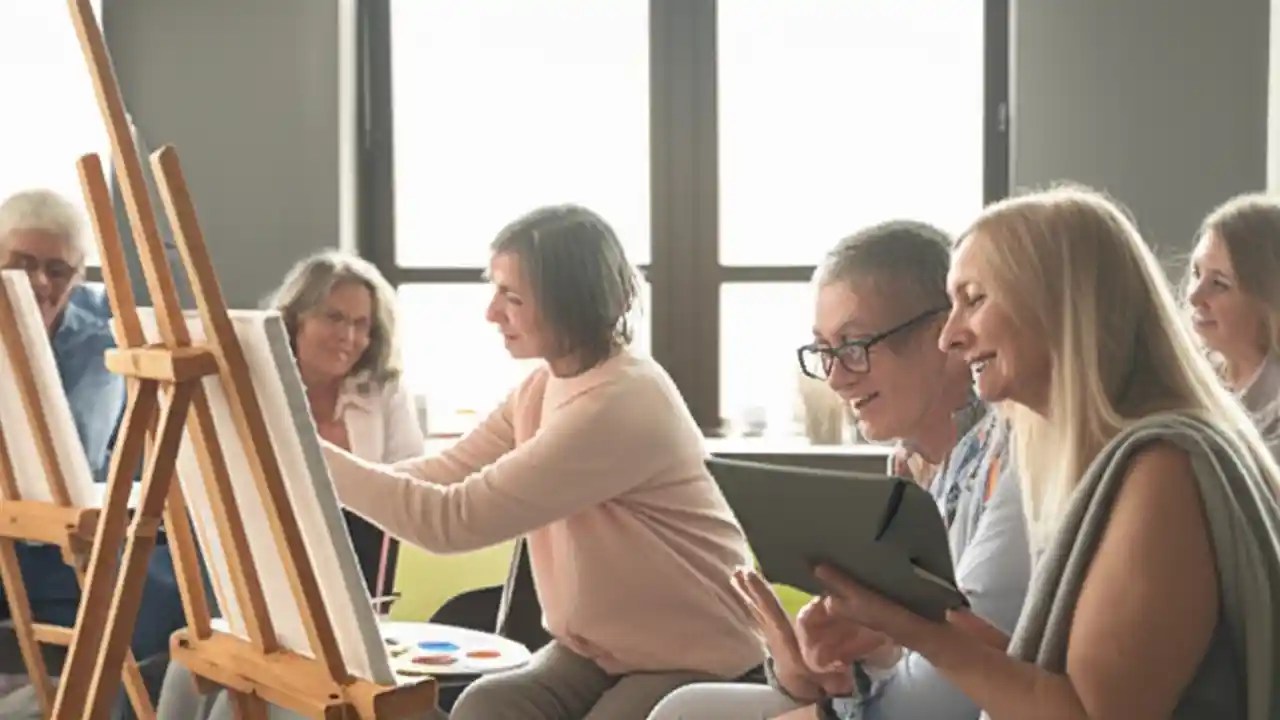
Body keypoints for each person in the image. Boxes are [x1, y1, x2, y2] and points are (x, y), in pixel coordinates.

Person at [813, 185, 1280, 719]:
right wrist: (891, 638)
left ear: (1058, 301)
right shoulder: (1108, 463)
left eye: (974, 299)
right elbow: (1043, 683)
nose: (950, 338)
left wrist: (917, 631)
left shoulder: (1163, 470)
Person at [319, 204, 763, 719]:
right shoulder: (541, 387)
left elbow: (451, 520)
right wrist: (310, 477)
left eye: (512, 297)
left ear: (571, 301)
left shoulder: (621, 402)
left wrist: (312, 461)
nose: (491, 313)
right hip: (599, 652)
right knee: (486, 706)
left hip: (695, 653)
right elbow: (438, 474)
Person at [648, 221, 1029, 720]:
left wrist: (836, 698)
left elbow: (944, 699)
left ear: (946, 334)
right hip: (894, 702)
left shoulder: (1011, 466)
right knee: (686, 708)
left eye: (854, 345)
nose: (835, 377)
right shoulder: (910, 467)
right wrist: (825, 666)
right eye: (824, 351)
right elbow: (899, 657)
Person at [0, 189, 187, 716]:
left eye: (57, 270)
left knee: (184, 589)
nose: (39, 282)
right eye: (21, 265)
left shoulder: (114, 329)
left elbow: (95, 454)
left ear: (79, 275)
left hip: (78, 543)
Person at [267, 250, 423, 597]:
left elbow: (411, 478)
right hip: (274, 553)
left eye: (360, 324)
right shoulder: (260, 386)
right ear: (295, 321)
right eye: (334, 318)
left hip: (365, 568)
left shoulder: (384, 389)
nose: (348, 336)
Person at [1186, 193, 1280, 460]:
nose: (1194, 297)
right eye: (1196, 274)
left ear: (1268, 301)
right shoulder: (1186, 376)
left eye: (1219, 284)